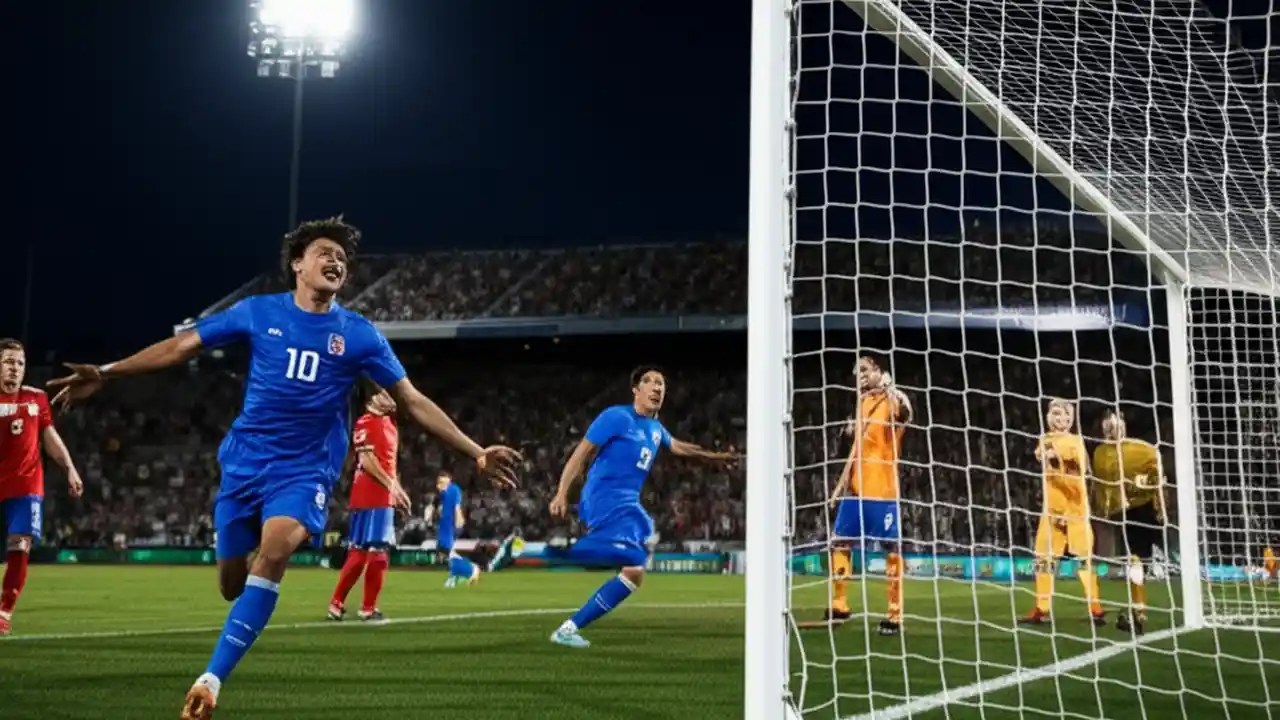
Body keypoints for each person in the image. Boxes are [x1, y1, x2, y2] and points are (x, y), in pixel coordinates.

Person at [48, 217, 520, 720]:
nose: (335, 261)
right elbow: (183, 345)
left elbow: (412, 400)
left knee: (273, 553)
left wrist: (476, 452)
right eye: (323, 252)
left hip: (305, 470)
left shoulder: (359, 335)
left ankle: (210, 681)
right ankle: (242, 570)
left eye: (342, 257)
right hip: (244, 463)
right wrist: (108, 371)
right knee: (232, 584)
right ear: (298, 264)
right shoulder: (258, 312)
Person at [545, 366, 738, 648]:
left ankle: (569, 626)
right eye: (649, 382)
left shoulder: (656, 429)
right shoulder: (616, 417)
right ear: (636, 390)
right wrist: (561, 493)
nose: (657, 387)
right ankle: (554, 559)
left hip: (626, 503)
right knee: (630, 562)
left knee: (634, 571)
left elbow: (681, 448)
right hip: (603, 497)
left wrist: (714, 457)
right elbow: (580, 454)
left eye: (661, 383)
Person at [0, 338, 84, 636]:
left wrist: (70, 468)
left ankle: (4, 611)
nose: (15, 368)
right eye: (9, 361)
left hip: (25, 485)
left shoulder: (36, 399)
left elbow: (49, 437)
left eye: (20, 363)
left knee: (20, 544)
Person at [827, 355, 911, 635]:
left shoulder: (889, 400)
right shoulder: (862, 403)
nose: (858, 374)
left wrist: (892, 390)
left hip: (882, 491)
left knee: (891, 549)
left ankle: (894, 616)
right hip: (855, 489)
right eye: (856, 370)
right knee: (838, 542)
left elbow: (906, 414)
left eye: (864, 369)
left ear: (879, 371)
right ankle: (839, 605)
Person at [328, 382, 410, 623]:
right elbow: (367, 459)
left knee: (359, 551)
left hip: (379, 492)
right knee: (377, 550)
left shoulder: (389, 423)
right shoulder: (366, 422)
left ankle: (336, 604)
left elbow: (387, 464)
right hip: (372, 494)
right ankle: (367, 608)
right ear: (371, 401)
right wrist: (390, 486)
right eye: (384, 394)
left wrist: (398, 488)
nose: (390, 397)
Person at [1020, 399, 1104, 626]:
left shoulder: (1076, 442)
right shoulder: (1046, 439)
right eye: (1056, 415)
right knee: (1043, 558)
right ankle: (1042, 606)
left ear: (1071, 419)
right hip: (1051, 510)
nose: (1061, 420)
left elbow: (1078, 472)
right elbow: (1041, 453)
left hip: (1075, 509)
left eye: (1066, 416)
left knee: (1083, 558)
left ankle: (1095, 605)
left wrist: (1069, 510)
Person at [1091, 409, 1165, 635]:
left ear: (1123, 425)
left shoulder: (1143, 449)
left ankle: (1139, 611)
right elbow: (1099, 482)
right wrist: (1101, 508)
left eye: (1116, 424)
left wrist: (1159, 503)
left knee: (1139, 561)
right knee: (1136, 561)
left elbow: (1158, 477)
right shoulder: (1100, 453)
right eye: (1108, 425)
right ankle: (1138, 612)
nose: (1112, 428)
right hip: (1122, 514)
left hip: (1145, 510)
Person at [435, 471, 479, 587]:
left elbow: (457, 506)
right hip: (445, 525)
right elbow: (442, 507)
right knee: (444, 552)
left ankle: (471, 569)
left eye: (442, 481)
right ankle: (455, 575)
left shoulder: (453, 490)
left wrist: (459, 519)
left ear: (449, 480)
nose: (439, 485)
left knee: (445, 552)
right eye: (438, 482)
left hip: (451, 525)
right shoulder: (444, 493)